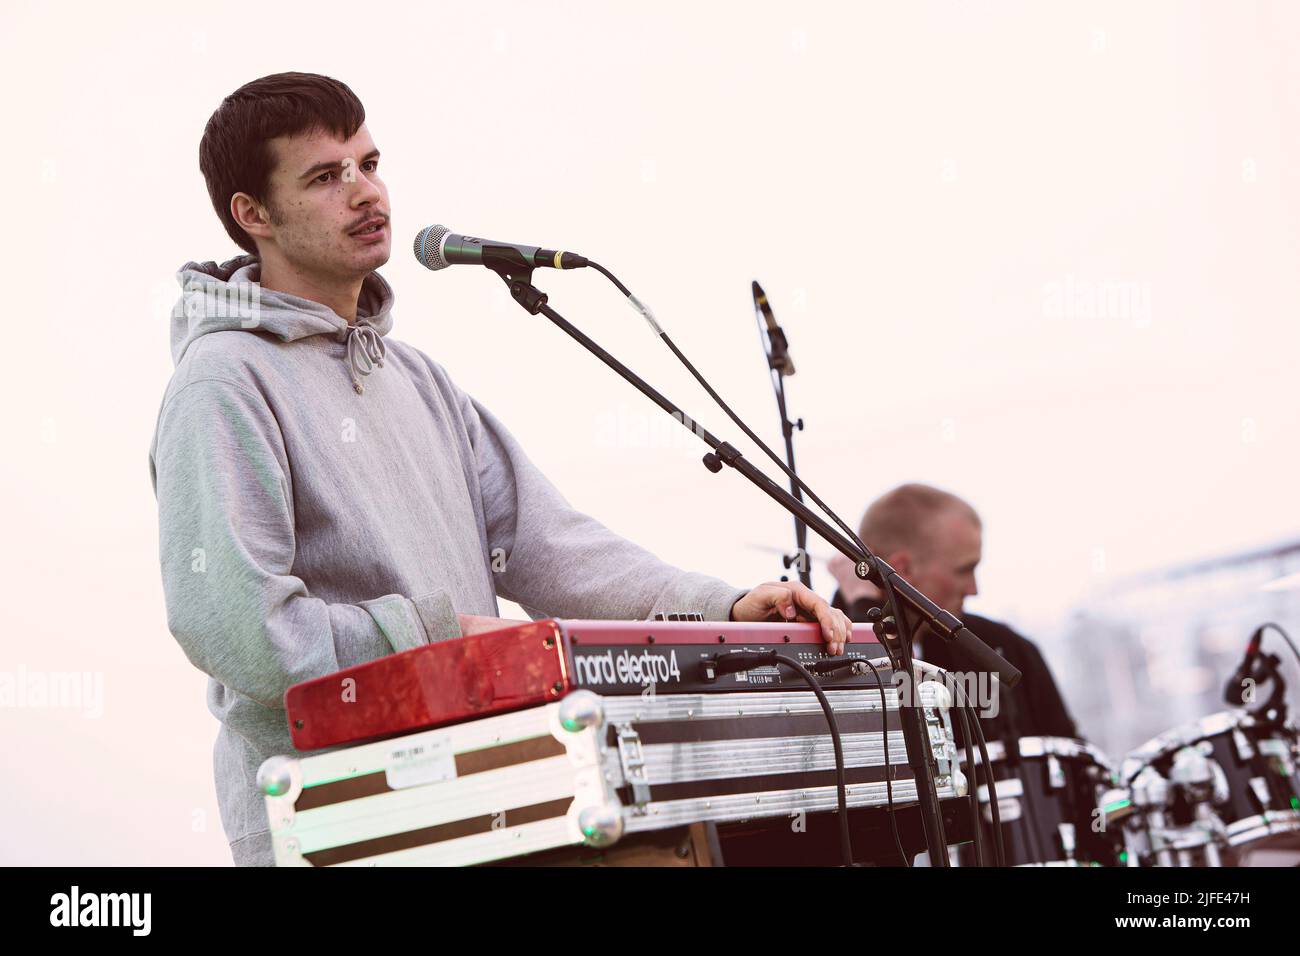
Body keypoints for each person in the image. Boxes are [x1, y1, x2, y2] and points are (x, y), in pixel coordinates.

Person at [148, 72, 852, 867]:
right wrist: (441, 638)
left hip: (489, 797)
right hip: (335, 824)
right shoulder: (222, 383)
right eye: (324, 176)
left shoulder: (420, 380)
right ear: (253, 215)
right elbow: (241, 632)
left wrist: (719, 605)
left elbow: (550, 549)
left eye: (369, 163)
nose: (364, 192)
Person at [827, 483, 1076, 745]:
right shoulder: (825, 653)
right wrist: (862, 604)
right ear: (903, 568)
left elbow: (1075, 768)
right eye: (964, 570)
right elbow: (874, 721)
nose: (974, 589)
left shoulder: (1006, 648)